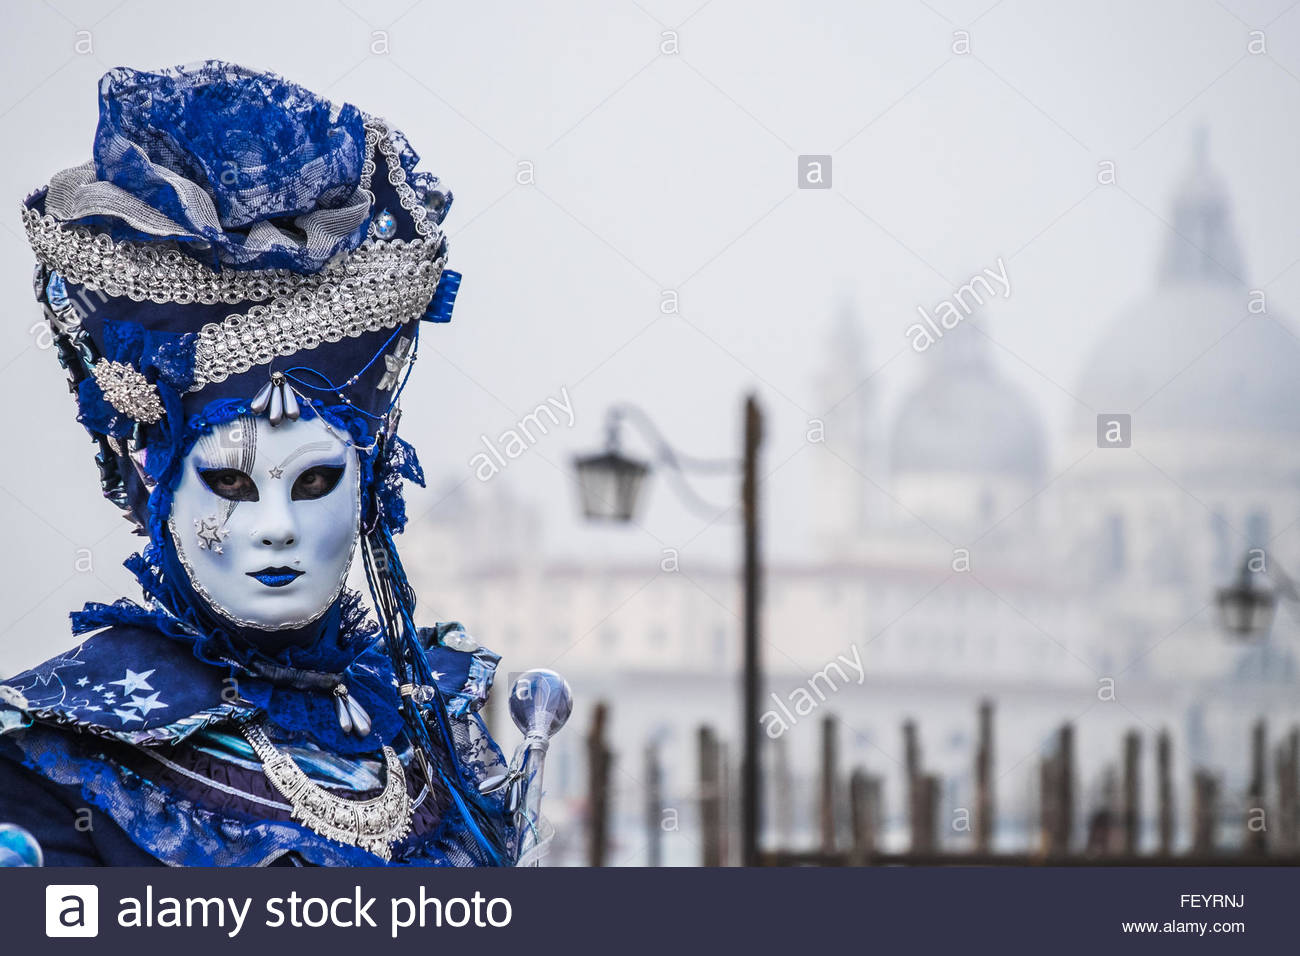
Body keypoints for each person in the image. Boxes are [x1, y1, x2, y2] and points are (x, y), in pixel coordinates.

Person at [0, 61, 515, 866]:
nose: (276, 529)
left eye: (315, 481)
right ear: (153, 485)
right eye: (230, 484)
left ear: (371, 487)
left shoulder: (439, 738)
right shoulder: (55, 770)